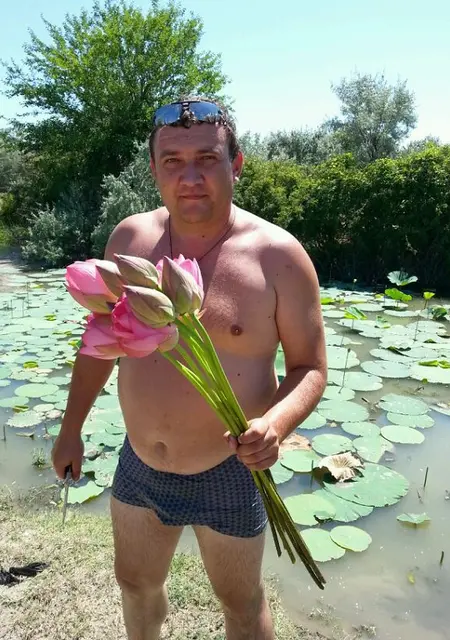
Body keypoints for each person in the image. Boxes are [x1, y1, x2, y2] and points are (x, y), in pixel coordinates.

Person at [52, 97, 327, 640]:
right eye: (173, 162)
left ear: (236, 164)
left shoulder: (278, 256)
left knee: (241, 603)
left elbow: (310, 367)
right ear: (154, 169)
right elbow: (99, 344)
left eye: (207, 158)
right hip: (141, 461)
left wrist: (274, 426)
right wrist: (70, 429)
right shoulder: (130, 241)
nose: (191, 177)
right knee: (135, 583)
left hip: (232, 466)